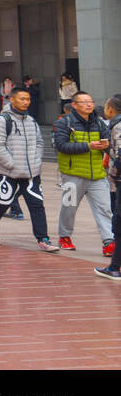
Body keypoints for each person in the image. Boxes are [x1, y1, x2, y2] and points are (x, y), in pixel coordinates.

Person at [0, 86, 59, 251]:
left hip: (31, 173)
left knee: (37, 204)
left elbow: (39, 142)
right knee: (4, 201)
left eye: (28, 99)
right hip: (8, 172)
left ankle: (43, 238)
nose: (26, 102)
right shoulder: (2, 120)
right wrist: (12, 164)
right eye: (22, 99)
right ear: (12, 99)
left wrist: (36, 160)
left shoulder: (31, 121)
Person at [51, 91, 114, 254]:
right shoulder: (64, 122)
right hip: (73, 174)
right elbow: (61, 146)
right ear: (74, 105)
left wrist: (105, 146)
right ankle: (64, 236)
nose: (89, 105)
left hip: (97, 174)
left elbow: (109, 143)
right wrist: (88, 146)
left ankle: (108, 241)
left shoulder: (99, 123)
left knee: (105, 208)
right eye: (84, 102)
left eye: (90, 101)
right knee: (69, 206)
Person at [94, 94, 121, 280]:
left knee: (118, 224)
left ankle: (114, 268)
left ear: (110, 110)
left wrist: (113, 175)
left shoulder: (117, 126)